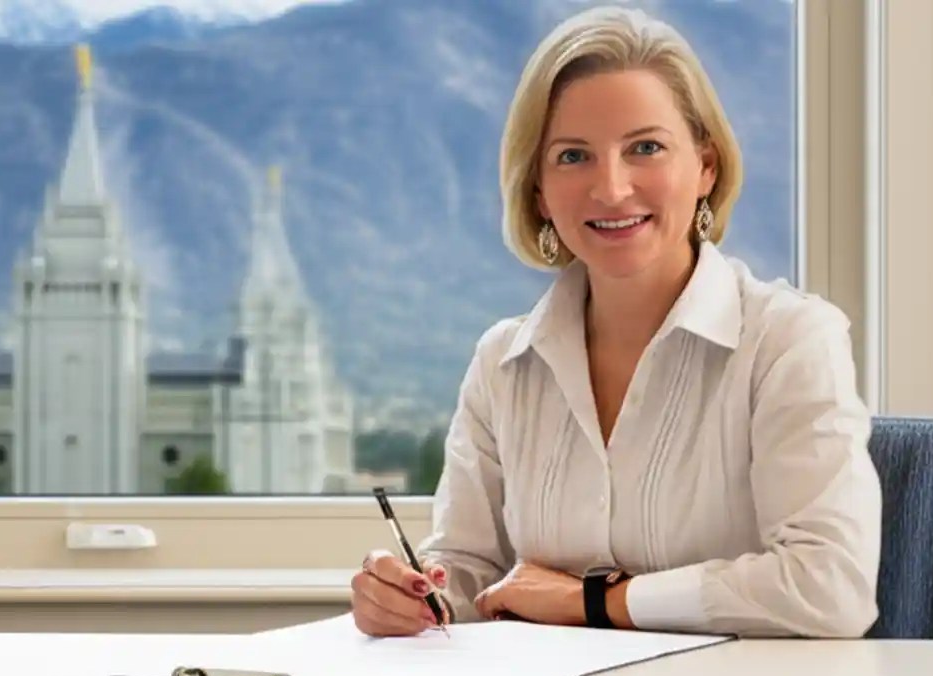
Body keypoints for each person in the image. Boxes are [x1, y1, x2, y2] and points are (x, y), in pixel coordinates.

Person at [350, 5, 881, 639]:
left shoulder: (789, 341)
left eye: (646, 148)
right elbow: (469, 575)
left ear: (705, 167)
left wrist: (595, 600)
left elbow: (830, 588)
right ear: (540, 193)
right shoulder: (502, 364)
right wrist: (409, 595)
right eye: (573, 156)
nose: (612, 188)